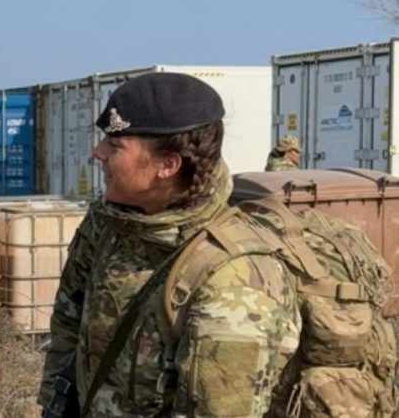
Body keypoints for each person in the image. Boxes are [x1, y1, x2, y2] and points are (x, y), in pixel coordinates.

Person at [38, 73, 301, 416]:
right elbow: (68, 326)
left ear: (167, 165)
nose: (97, 152)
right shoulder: (108, 224)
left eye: (115, 146)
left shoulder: (233, 280)